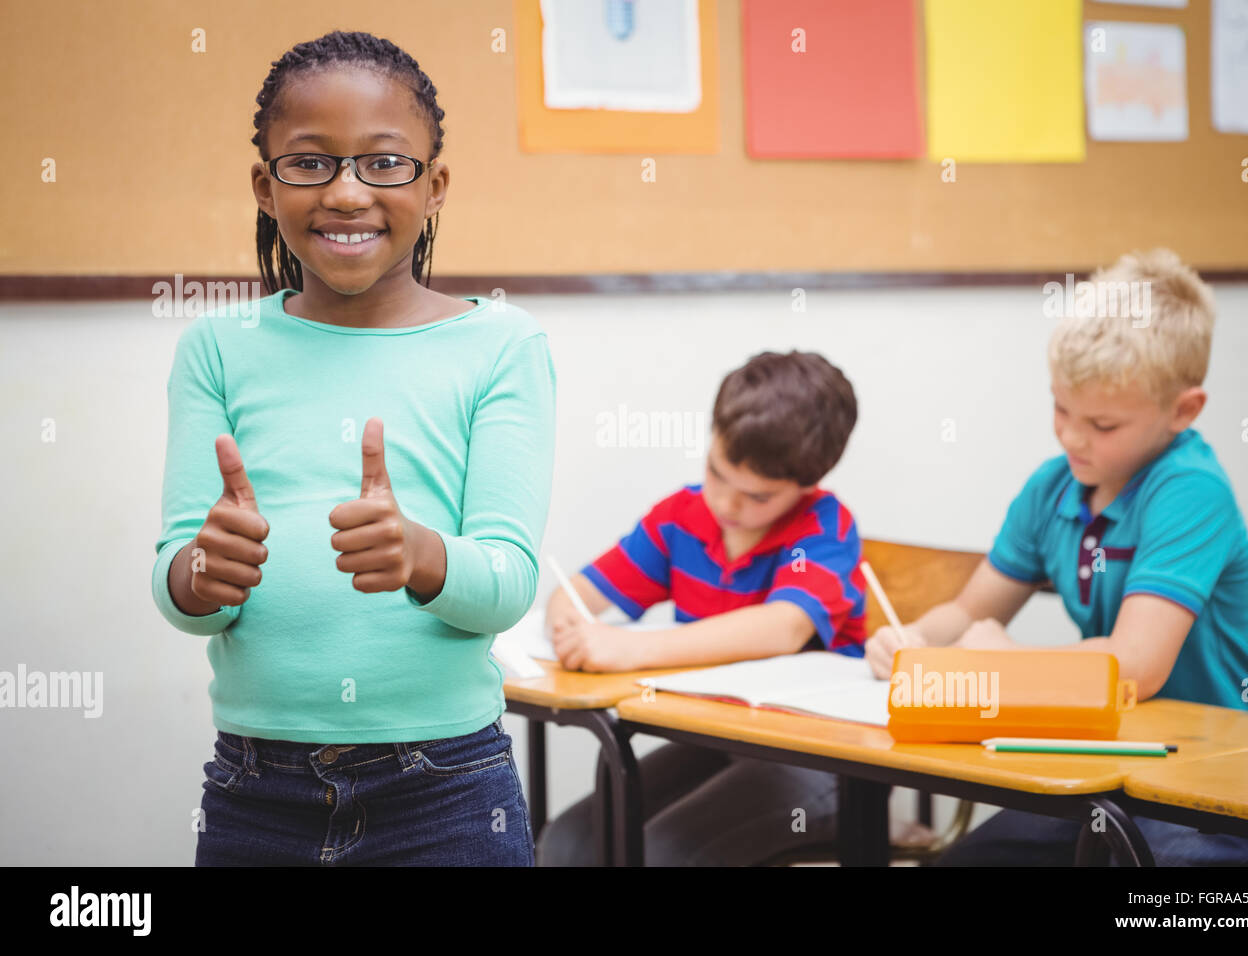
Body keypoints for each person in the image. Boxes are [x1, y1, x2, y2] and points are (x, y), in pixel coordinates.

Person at [151, 30, 555, 866]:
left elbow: (509, 584)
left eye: (383, 163)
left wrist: (421, 555)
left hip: (446, 790)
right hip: (255, 792)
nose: (344, 192)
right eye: (309, 163)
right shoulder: (216, 349)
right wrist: (203, 572)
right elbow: (182, 588)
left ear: (434, 185)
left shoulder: (503, 347)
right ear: (266, 186)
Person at [866, 248, 1248, 866]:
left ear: (1184, 410)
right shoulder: (1054, 486)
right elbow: (968, 612)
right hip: (1118, 765)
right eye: (1061, 408)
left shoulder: (1190, 490)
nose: (1071, 436)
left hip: (1225, 782)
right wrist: (914, 641)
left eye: (1101, 423)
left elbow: (1136, 665)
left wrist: (1005, 665)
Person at [538, 350, 867, 866]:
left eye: (757, 497)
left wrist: (631, 648)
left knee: (665, 853)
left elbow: (781, 627)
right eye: (716, 472)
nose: (727, 505)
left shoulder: (823, 529)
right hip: (713, 741)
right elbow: (573, 594)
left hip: (821, 761)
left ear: (808, 484)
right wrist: (569, 624)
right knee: (569, 843)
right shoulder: (681, 518)